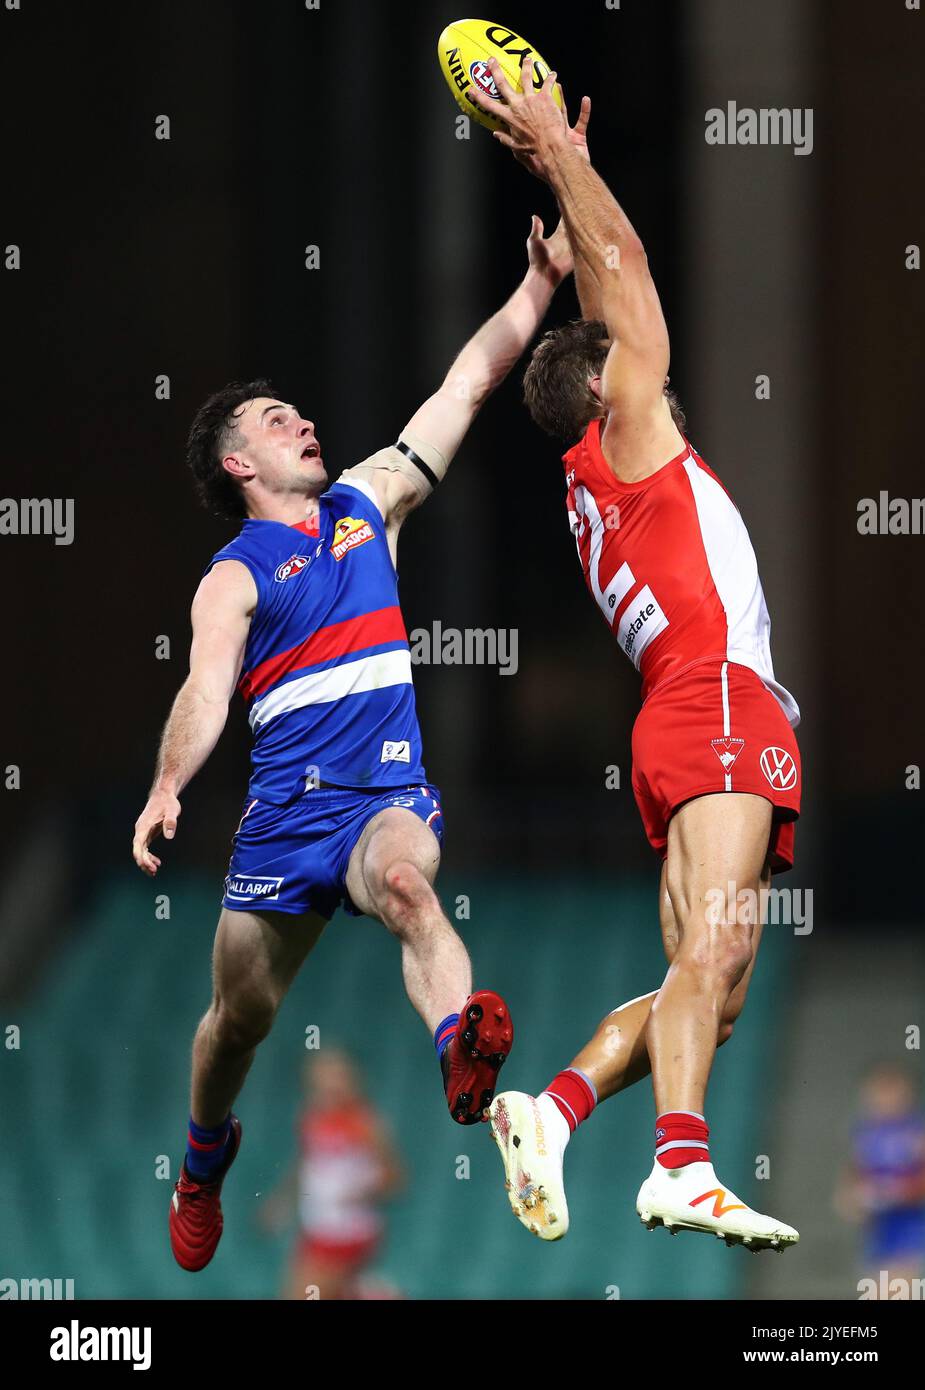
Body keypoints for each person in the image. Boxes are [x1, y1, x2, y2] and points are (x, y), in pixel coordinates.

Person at [131, 215, 573, 1270]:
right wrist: (165, 785)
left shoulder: (370, 501)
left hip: (382, 801)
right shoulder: (234, 575)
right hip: (286, 820)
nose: (303, 422)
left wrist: (539, 286)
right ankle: (202, 1163)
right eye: (277, 421)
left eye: (300, 411)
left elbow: (465, 383)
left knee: (414, 890)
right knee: (235, 1024)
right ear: (240, 461)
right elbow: (204, 688)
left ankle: (457, 1053)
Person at [469, 58, 800, 1250]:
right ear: (606, 385)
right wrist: (561, 148)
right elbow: (632, 273)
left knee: (712, 989)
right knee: (715, 950)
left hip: (679, 714)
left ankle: (552, 1108)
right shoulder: (632, 427)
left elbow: (612, 283)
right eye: (622, 354)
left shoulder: (589, 484)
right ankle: (681, 1166)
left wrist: (566, 179)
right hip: (714, 699)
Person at [260, 1049, 404, 1300]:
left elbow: (396, 1178)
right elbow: (305, 1164)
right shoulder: (312, 1118)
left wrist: (360, 1191)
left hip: (349, 1230)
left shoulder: (365, 1123)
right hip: (318, 1227)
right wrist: (282, 1202)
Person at [835, 1063, 925, 1290]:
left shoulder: (917, 1131)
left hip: (912, 1233)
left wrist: (890, 1193)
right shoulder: (865, 1131)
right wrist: (851, 1198)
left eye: (890, 1090)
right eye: (877, 1090)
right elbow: (854, 1175)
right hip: (879, 1236)